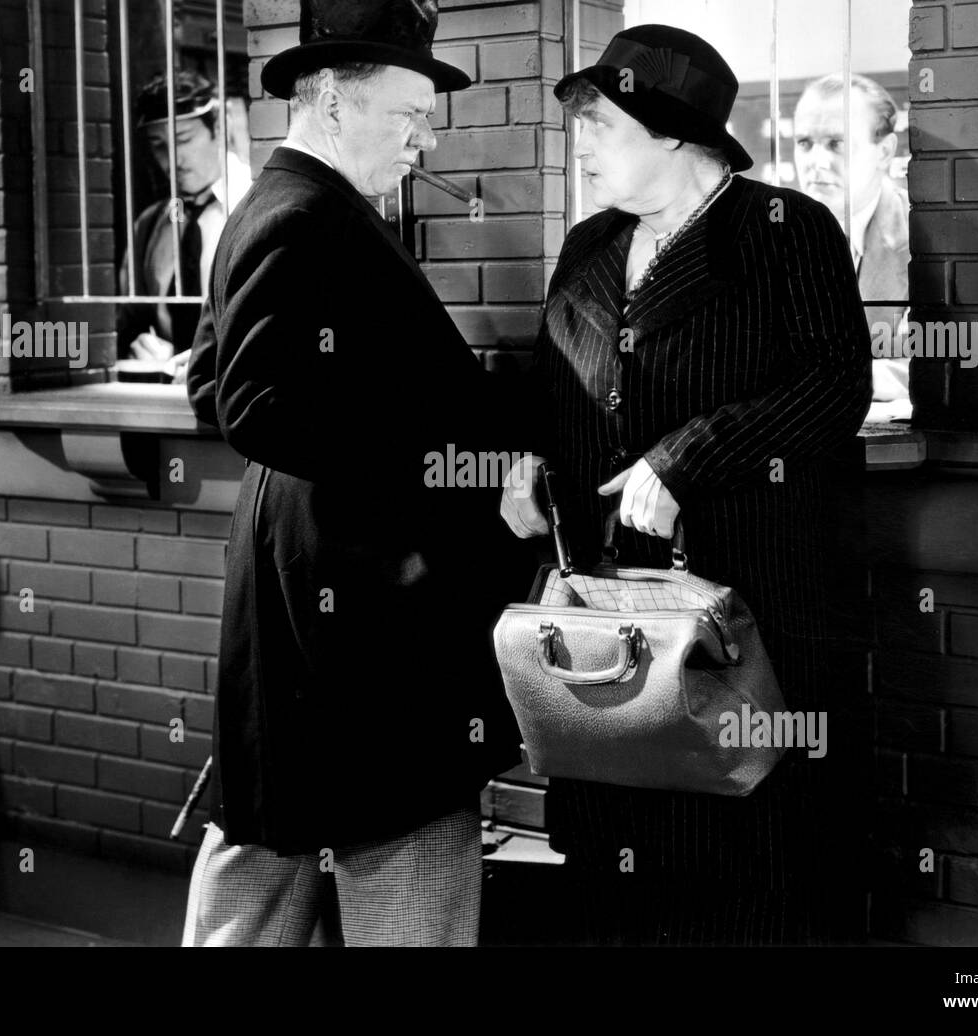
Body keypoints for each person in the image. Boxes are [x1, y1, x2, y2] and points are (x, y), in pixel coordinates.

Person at [501, 25, 872, 945]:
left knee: (748, 856)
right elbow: (552, 389)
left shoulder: (786, 229)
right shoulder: (589, 243)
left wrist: (683, 460)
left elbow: (835, 385)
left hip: (749, 610)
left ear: (670, 131)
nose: (579, 143)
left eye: (600, 123)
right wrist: (522, 458)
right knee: (612, 851)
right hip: (607, 614)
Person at [181, 0, 523, 947]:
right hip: (362, 611)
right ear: (330, 98)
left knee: (264, 854)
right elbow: (252, 405)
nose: (425, 141)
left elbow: (211, 383)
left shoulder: (285, 208)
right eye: (409, 114)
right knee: (404, 858)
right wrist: (455, 466)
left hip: (309, 603)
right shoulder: (306, 216)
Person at [117, 70, 251, 383]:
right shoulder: (151, 225)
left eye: (183, 140)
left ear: (218, 127)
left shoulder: (256, 204)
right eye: (158, 146)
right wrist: (138, 343)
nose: (173, 158)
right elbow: (128, 319)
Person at [793, 73, 911, 414]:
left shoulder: (922, 240)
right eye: (804, 143)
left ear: (884, 151)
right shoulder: (770, 241)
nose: (816, 161)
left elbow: (929, 363)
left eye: (836, 144)